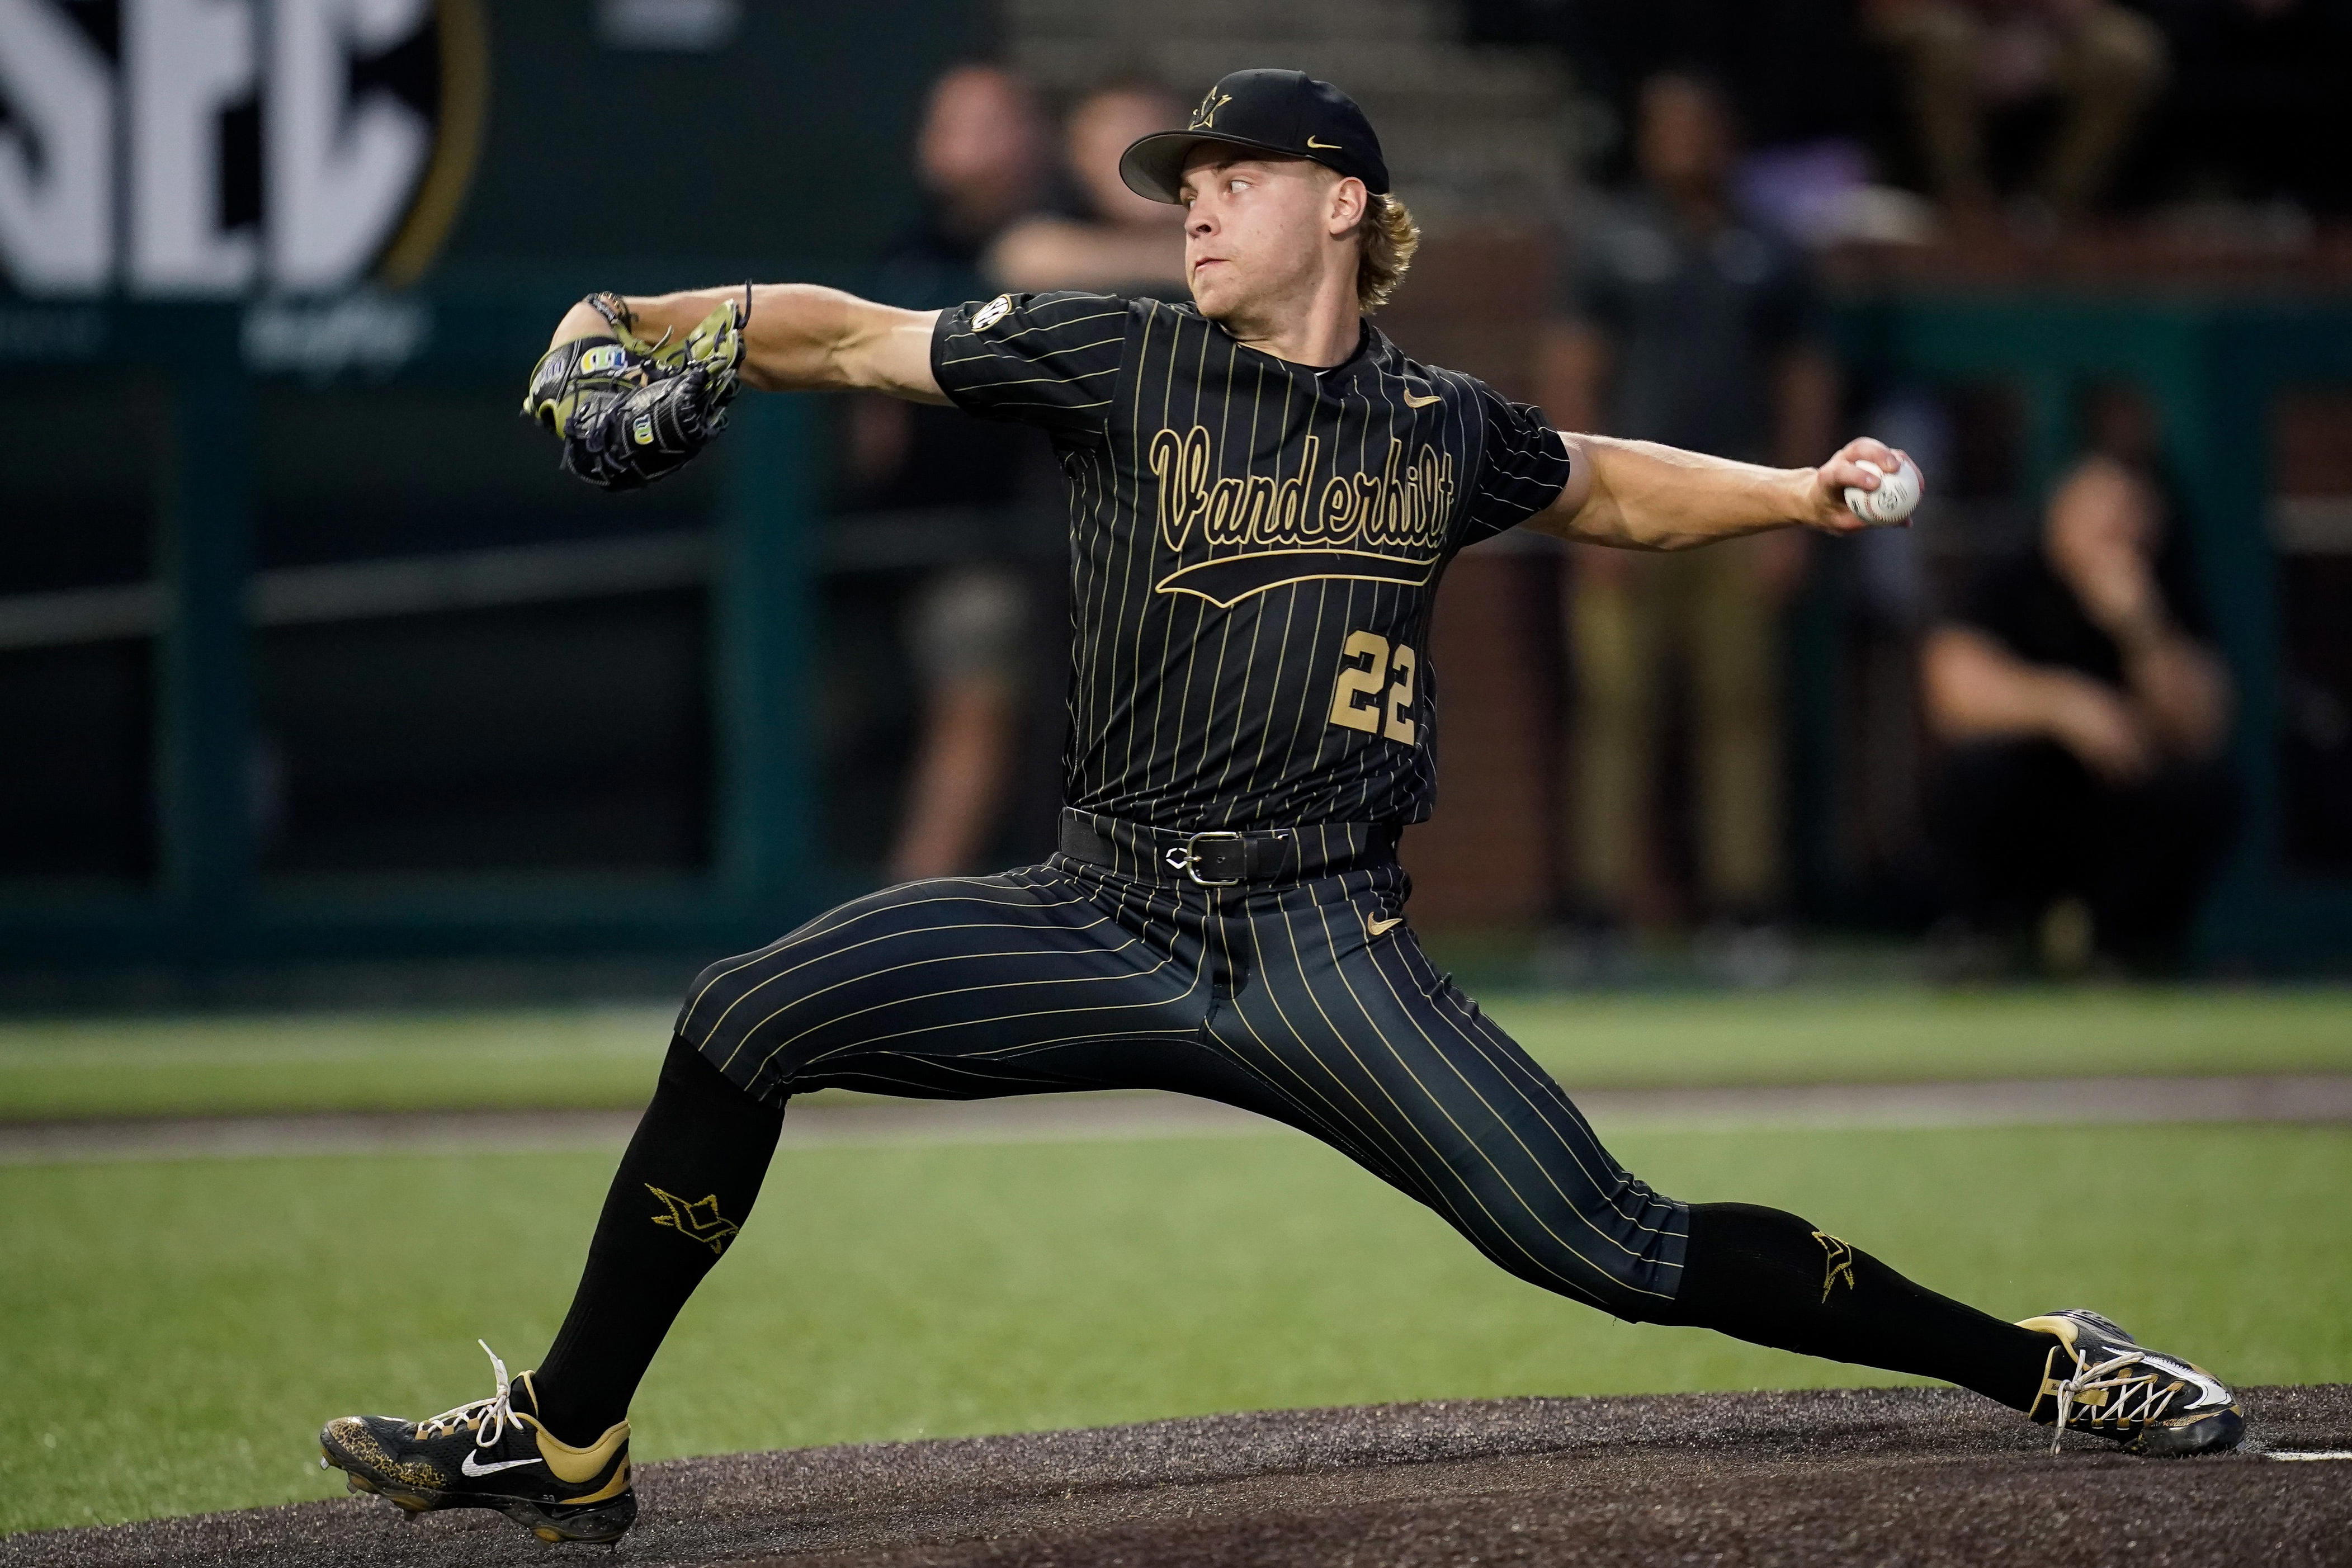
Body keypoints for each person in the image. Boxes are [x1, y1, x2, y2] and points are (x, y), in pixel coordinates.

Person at [320, 69, 2244, 1548]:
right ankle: (567, 1438)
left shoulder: (1434, 426)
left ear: (1338, 201)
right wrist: (639, 314)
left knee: (1617, 1246)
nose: (1190, 209)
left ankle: (2034, 1359)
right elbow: (844, 331)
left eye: (1226, 179)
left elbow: (1597, 482)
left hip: (1322, 940)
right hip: (1096, 912)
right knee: (739, 1019)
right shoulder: (1113, 354)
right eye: (1179, 187)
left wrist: (1789, 491)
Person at [1539, 73, 1837, 971]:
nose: (1684, 144)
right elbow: (1569, 372)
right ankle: (1595, 912)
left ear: (1727, 134)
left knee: (1741, 711)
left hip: (1741, 514)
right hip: (1619, 510)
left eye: (1699, 126)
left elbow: (1804, 382)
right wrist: (1570, 513)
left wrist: (1797, 510)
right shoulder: (1609, 240)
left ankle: (1745, 909)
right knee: (1612, 709)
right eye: (1667, 127)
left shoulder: (1770, 247)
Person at [853, 63, 1055, 882]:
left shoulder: (1068, 230)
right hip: (938, 550)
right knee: (966, 705)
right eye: (952, 125)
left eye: (992, 123)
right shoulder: (909, 257)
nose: (970, 146)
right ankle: (908, 920)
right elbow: (874, 433)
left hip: (1086, 551)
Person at [1922, 455, 2237, 973]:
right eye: (2097, 509)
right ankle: (1988, 940)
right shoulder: (2013, 577)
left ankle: (2128, 951)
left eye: (2129, 513)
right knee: (1975, 775)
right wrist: (2066, 707)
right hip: (2030, 806)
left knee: (2201, 790)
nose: (2113, 528)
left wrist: (2141, 629)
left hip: (2117, 807)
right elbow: (1952, 692)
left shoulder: (2166, 588)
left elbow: (2202, 728)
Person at [1865, 0, 2170, 224]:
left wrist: (2034, 39)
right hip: (1954, 22)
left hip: (2046, 32)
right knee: (1944, 42)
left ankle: (2053, 208)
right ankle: (1964, 200)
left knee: (2126, 53)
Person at [988, 81, 1191, 296]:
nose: (1125, 166)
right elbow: (1022, 258)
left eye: (1140, 143)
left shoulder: (1209, 212)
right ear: (1078, 158)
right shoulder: (1061, 212)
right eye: (1108, 149)